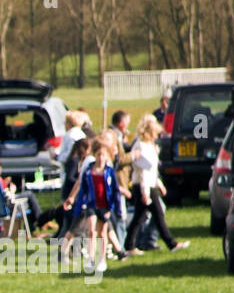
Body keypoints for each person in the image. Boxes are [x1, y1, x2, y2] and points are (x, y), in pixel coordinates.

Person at [122, 114, 189, 256]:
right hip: (143, 186)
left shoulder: (150, 145)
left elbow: (152, 169)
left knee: (139, 218)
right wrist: (145, 192)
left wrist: (159, 184)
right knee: (158, 214)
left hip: (149, 185)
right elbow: (143, 171)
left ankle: (129, 246)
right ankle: (172, 244)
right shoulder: (141, 145)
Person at [65, 139, 124, 274]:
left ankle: (101, 259)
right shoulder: (89, 171)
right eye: (98, 155)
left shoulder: (109, 171)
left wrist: (115, 208)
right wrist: (79, 204)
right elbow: (83, 190)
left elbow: (115, 190)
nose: (100, 158)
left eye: (103, 155)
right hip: (91, 204)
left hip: (104, 205)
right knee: (92, 230)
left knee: (102, 232)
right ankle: (91, 258)